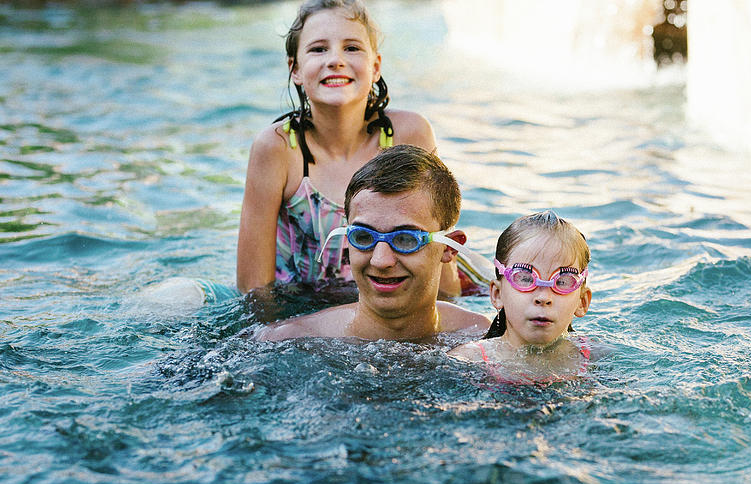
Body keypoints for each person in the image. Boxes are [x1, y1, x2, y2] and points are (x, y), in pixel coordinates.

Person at [236, 0, 467, 298]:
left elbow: (439, 262)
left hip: (387, 301)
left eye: (352, 48)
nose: (335, 60)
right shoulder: (278, 148)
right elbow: (254, 289)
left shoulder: (408, 134)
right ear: (294, 68)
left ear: (375, 67)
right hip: (300, 308)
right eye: (319, 49)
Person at [256, 145, 490, 341]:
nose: (380, 261)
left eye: (405, 239)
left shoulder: (481, 336)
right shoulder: (290, 340)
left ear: (449, 248)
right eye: (364, 237)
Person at [449, 211, 593, 383]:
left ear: (582, 302)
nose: (543, 297)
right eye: (525, 278)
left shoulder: (593, 357)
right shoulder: (467, 361)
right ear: (497, 294)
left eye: (562, 282)